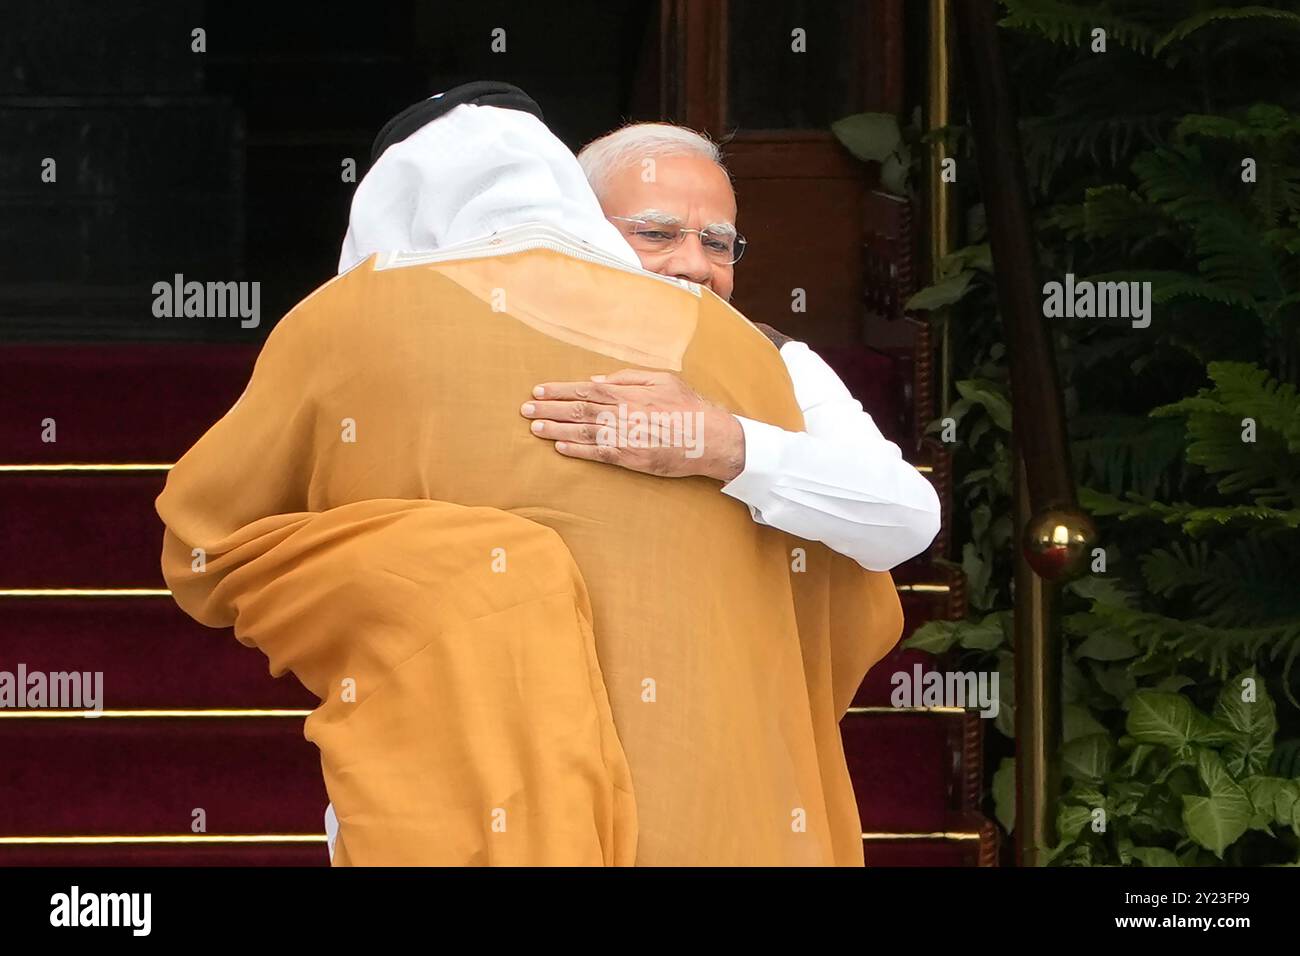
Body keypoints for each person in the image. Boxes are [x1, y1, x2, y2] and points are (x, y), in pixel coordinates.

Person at [157, 83, 905, 866]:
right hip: (713, 806)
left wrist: (412, 578)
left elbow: (205, 547)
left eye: (716, 240)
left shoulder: (343, 325)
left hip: (461, 804)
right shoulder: (731, 347)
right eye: (655, 230)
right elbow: (851, 602)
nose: (693, 260)